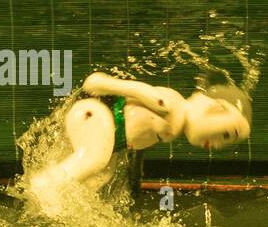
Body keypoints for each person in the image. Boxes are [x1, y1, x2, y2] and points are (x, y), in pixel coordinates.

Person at [29, 70, 251, 195]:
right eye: (225, 135)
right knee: (94, 160)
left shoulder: (172, 122)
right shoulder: (169, 104)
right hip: (96, 115)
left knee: (98, 179)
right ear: (215, 108)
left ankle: (62, 207)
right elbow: (95, 82)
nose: (219, 145)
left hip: (110, 134)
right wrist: (142, 93)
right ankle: (45, 185)